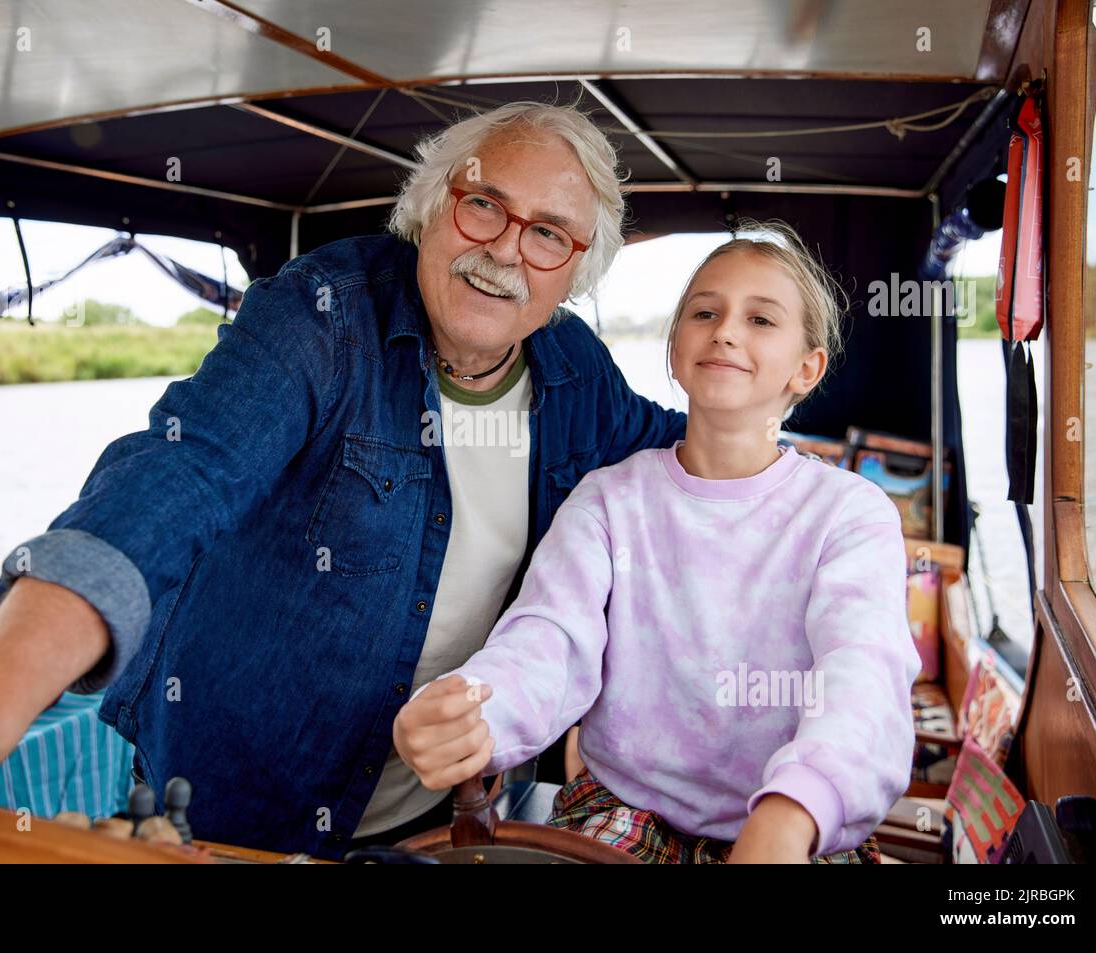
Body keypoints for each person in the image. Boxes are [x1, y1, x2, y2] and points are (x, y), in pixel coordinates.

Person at [0, 101, 687, 859]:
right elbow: (172, 477)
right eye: (483, 205)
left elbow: (696, 455)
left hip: (433, 810)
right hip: (240, 799)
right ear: (431, 209)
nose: (505, 249)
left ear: (576, 268)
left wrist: (807, 476)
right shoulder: (323, 315)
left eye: (546, 233)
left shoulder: (577, 370)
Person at [393, 220, 921, 864]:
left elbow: (862, 675)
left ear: (806, 368)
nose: (726, 329)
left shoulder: (850, 513)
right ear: (675, 348)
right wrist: (476, 711)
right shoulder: (609, 500)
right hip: (625, 808)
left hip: (797, 821)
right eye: (705, 311)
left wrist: (795, 810)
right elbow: (548, 640)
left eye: (761, 320)